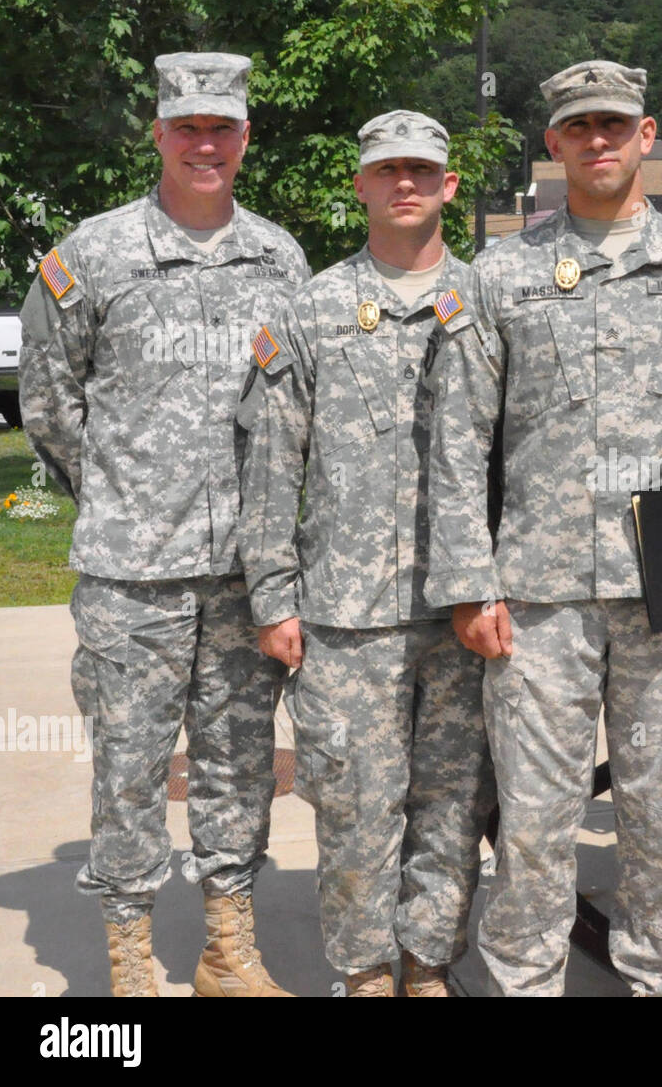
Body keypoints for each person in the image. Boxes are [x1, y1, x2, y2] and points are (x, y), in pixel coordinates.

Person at [427, 61, 662, 996]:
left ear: (647, 136)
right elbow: (458, 439)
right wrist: (469, 580)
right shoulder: (502, 274)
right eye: (580, 128)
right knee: (533, 826)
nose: (599, 141)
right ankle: (527, 985)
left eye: (615, 125)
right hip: (538, 596)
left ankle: (659, 982)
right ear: (555, 145)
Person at [19, 53, 309, 997]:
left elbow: (297, 407)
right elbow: (50, 405)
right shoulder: (91, 256)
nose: (205, 144)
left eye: (221, 127)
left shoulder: (281, 258)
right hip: (130, 575)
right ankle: (130, 956)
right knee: (130, 770)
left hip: (244, 575)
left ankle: (229, 948)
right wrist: (117, 493)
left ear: (245, 138)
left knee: (237, 768)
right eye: (187, 127)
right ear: (158, 134)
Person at [236, 111, 496, 997]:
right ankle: (364, 974)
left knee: (452, 808)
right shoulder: (311, 307)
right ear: (361, 185)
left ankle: (427, 967)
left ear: (450, 186)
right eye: (387, 171)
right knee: (353, 810)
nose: (406, 185)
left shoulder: (488, 299)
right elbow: (271, 460)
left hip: (464, 611)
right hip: (345, 616)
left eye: (423, 170)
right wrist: (272, 596)